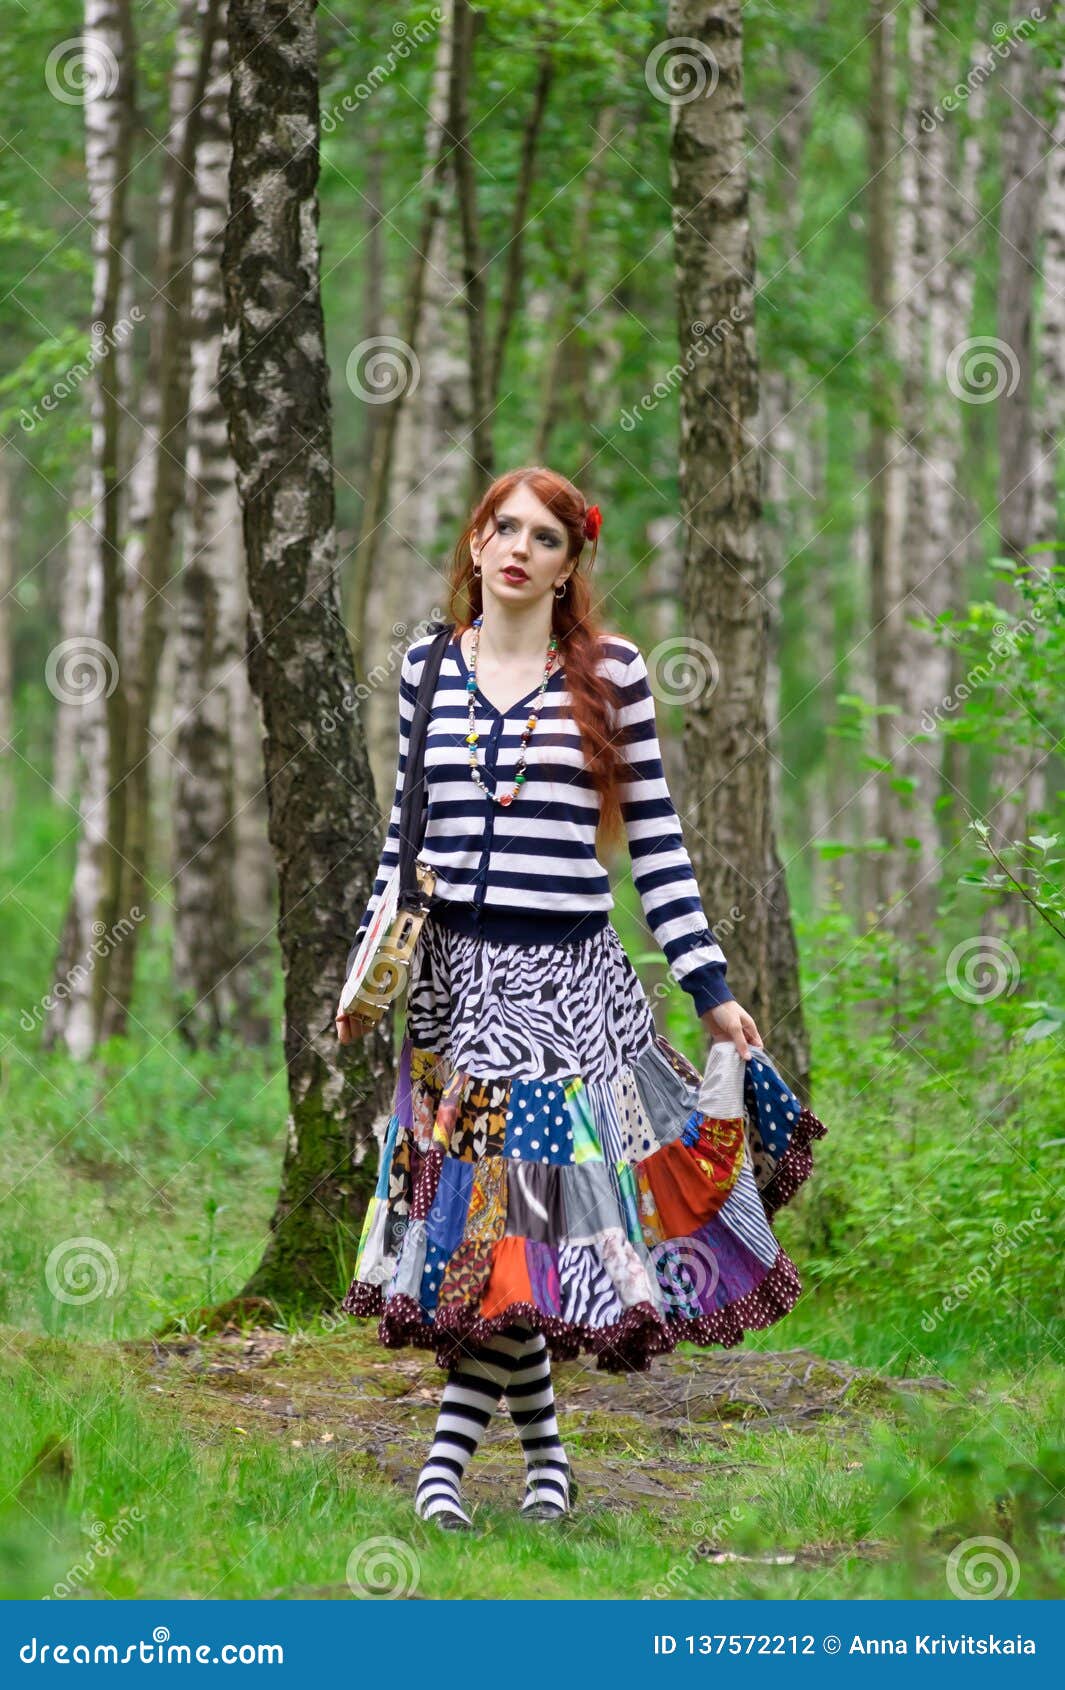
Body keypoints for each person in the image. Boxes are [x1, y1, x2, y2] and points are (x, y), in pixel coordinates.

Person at [335, 466, 826, 1533]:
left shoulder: (612, 673)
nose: (518, 548)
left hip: (570, 995)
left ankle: (444, 1466)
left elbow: (656, 846)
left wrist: (709, 989)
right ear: (475, 546)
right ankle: (548, 1455)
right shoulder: (427, 667)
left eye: (544, 536)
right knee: (510, 1232)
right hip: (456, 993)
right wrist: (365, 970)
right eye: (501, 528)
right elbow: (403, 840)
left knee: (515, 1229)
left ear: (570, 563)